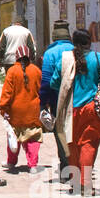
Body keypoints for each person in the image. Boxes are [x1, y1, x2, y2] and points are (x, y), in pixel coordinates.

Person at [51, 28, 100, 195]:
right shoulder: (97, 58)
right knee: (88, 144)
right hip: (91, 108)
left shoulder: (65, 60)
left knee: (72, 145)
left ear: (74, 42)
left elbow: (54, 82)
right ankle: (85, 184)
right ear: (89, 42)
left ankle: (75, 181)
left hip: (70, 109)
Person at [0, 49, 44, 173]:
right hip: (33, 111)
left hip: (15, 112)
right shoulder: (36, 70)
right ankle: (33, 165)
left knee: (13, 136)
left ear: (16, 57)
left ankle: (11, 162)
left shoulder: (12, 71)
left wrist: (3, 109)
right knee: (33, 138)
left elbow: (7, 93)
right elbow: (42, 90)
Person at [39, 20, 73, 169]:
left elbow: (46, 80)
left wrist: (43, 101)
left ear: (54, 36)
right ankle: (76, 161)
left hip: (56, 99)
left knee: (60, 130)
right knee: (74, 130)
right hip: (76, 98)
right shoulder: (75, 50)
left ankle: (65, 164)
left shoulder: (49, 53)